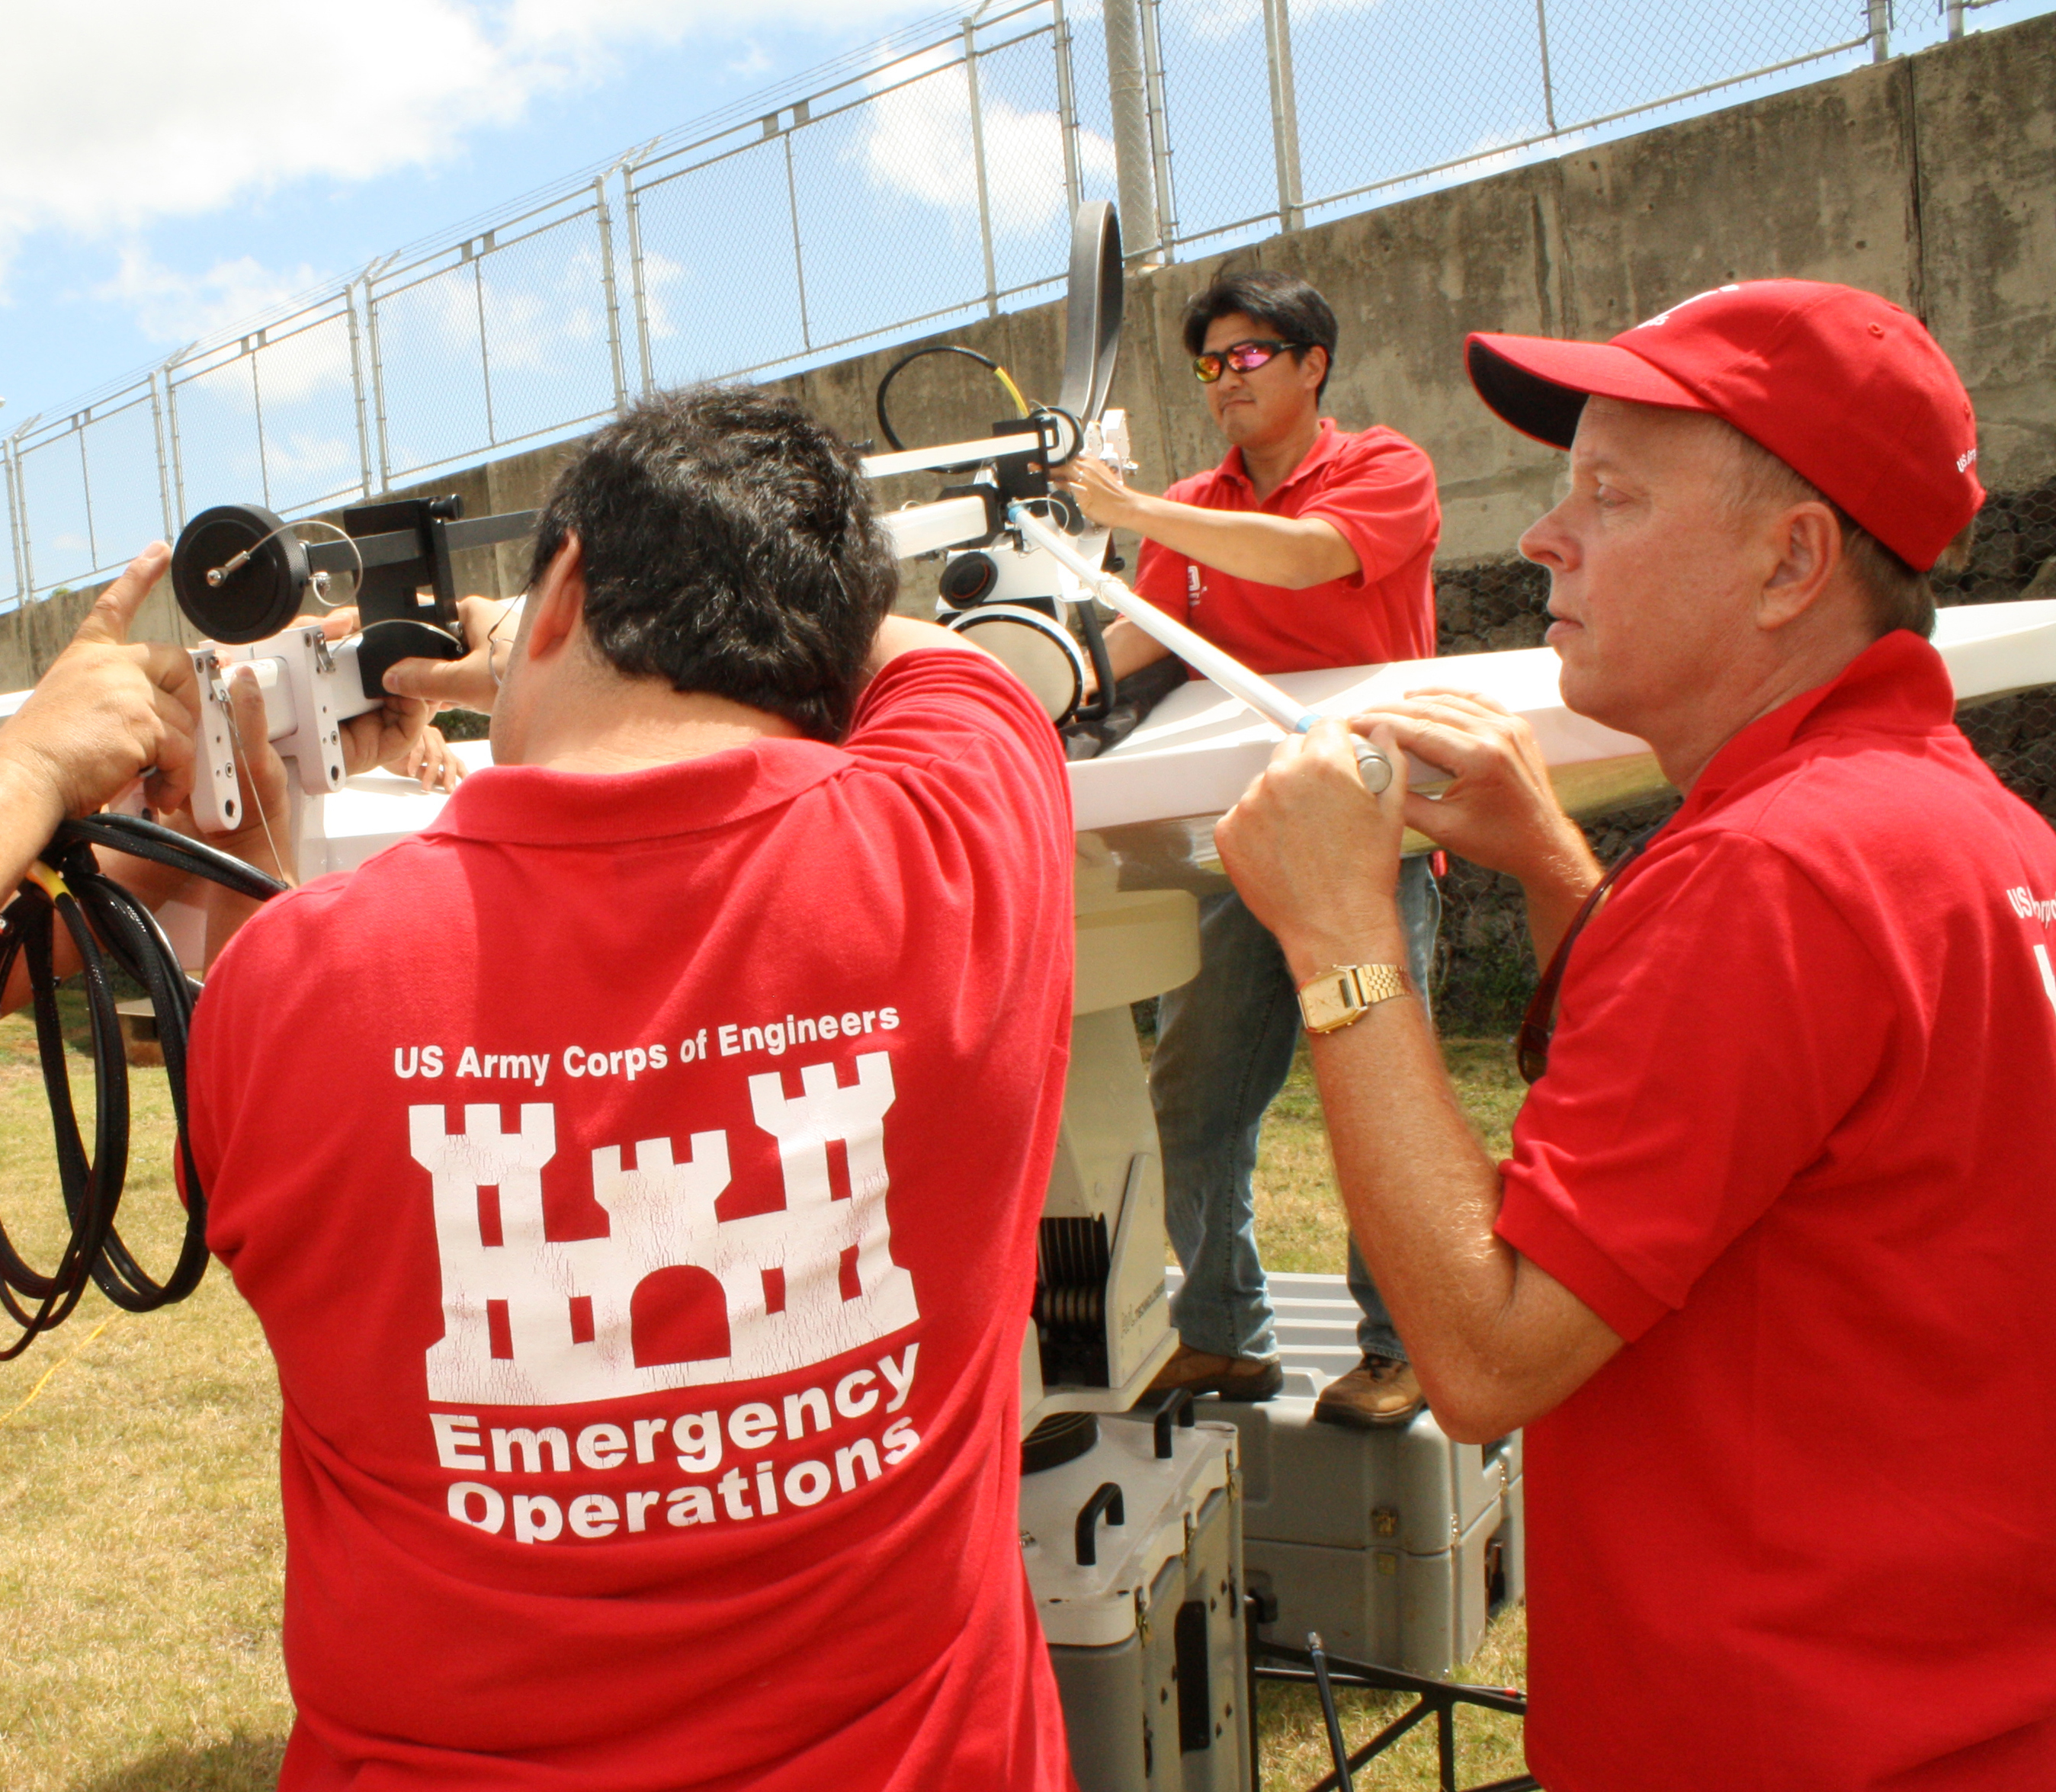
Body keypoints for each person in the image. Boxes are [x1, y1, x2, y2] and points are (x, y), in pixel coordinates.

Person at [1214, 280, 2056, 1787]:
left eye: (1607, 493)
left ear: (1789, 560)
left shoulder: (1768, 875)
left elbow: (1480, 1356)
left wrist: (1337, 940)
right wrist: (1552, 869)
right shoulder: (1955, 832)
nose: (1543, 535)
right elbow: (1748, 1116)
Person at [188, 386, 1079, 1790]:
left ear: (567, 587)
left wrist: (517, 658)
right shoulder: (960, 845)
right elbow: (936, 663)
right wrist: (543, 649)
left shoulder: (284, 987)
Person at [1058, 268, 1441, 1426]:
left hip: (1370, 845)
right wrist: (1024, 676)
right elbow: (1139, 640)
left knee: (1373, 1096)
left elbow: (1307, 557)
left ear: (1311, 365)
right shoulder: (1194, 501)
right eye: (1208, 364)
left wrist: (1127, 515)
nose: (1224, 381)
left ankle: (1403, 1346)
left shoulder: (1381, 470)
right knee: (1194, 1096)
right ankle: (1222, 1336)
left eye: (1247, 357)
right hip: (1234, 845)